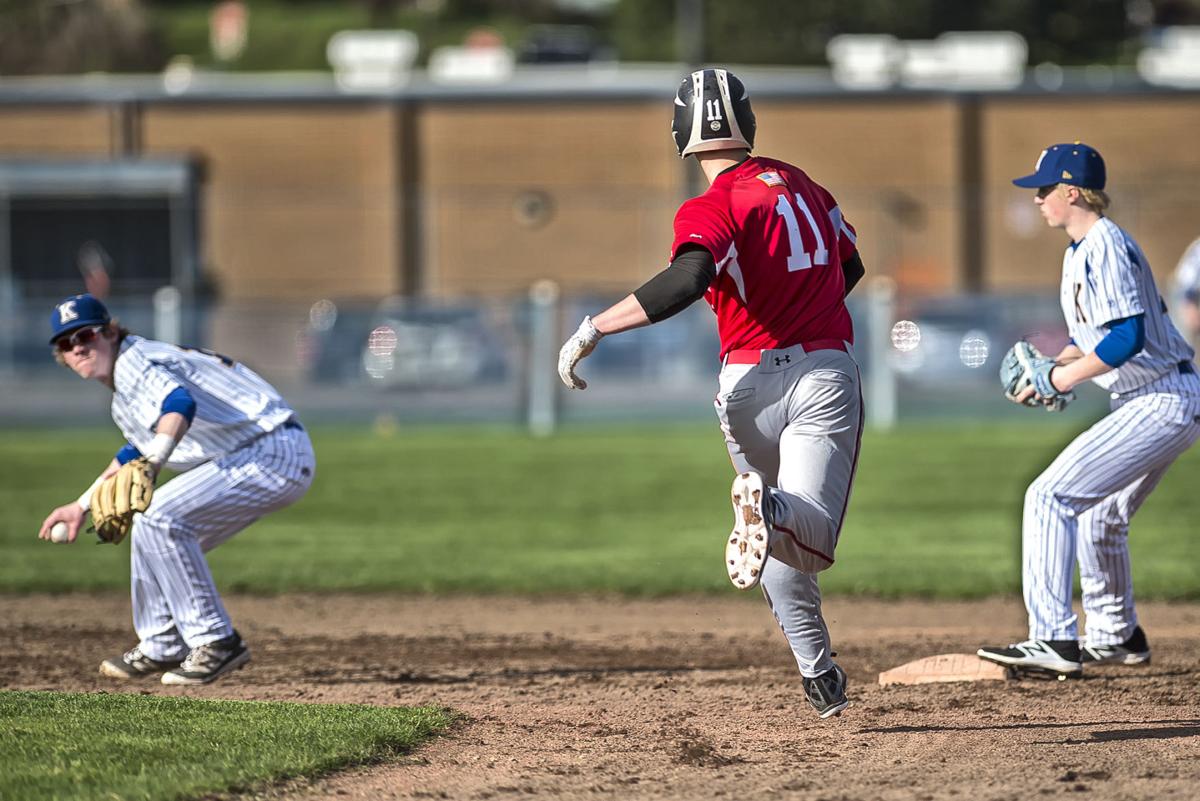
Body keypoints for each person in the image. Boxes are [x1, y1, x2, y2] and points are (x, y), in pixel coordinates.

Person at [557, 68, 866, 718]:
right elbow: (850, 265)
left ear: (680, 132)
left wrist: (593, 326)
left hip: (743, 384)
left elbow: (690, 277)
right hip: (820, 375)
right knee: (805, 533)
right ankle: (772, 511)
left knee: (776, 534)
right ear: (746, 122)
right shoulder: (804, 184)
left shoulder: (713, 203)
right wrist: (805, 313)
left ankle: (818, 672)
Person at [978, 143, 1200, 677]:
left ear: (1071, 190)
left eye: (1044, 188)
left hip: (1162, 399)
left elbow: (1127, 337)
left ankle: (1053, 638)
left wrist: (1060, 377)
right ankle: (1115, 634)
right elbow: (1093, 338)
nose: (1037, 199)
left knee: (1049, 496)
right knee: (1101, 517)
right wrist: (1052, 369)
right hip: (1158, 396)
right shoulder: (1081, 249)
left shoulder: (1103, 244)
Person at [38, 293, 315, 685]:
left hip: (270, 449)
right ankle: (161, 643)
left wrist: (153, 465)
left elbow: (178, 403)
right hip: (261, 453)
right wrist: (81, 506)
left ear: (111, 332)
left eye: (86, 334)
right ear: (62, 356)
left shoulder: (133, 360)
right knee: (154, 532)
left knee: (159, 516)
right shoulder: (124, 393)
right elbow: (134, 450)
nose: (78, 347)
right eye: (66, 343)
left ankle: (218, 641)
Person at [1169, 235, 1200, 348]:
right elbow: (1185, 284)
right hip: (1187, 298)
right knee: (1185, 347)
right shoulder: (1198, 249)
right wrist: (1189, 308)